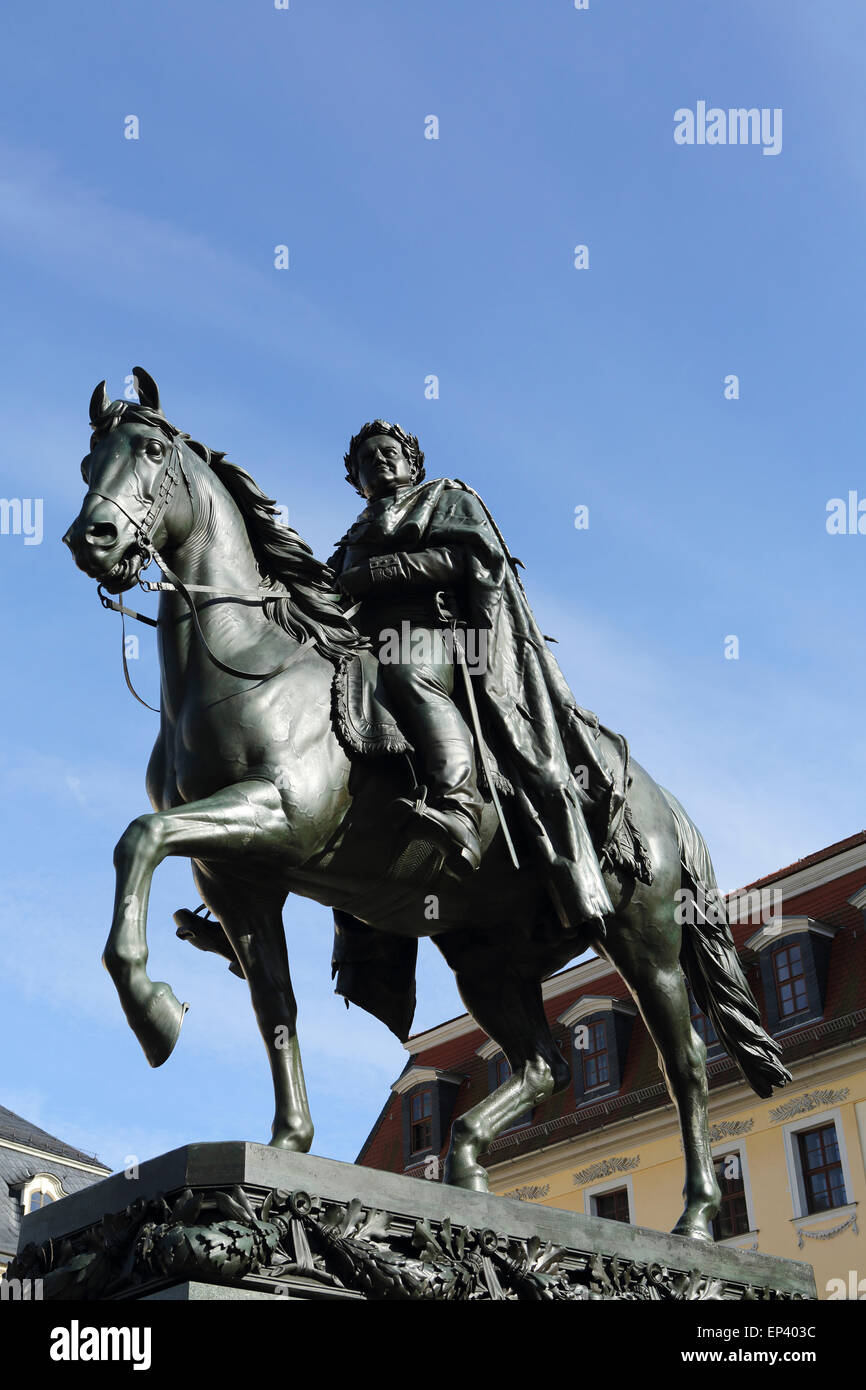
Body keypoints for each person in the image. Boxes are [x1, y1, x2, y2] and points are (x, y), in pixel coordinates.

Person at [329, 420, 616, 934]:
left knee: (408, 670)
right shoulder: (351, 535)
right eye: (367, 460)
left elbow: (475, 559)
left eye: (389, 452)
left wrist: (380, 573)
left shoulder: (446, 497)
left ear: (413, 463)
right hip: (366, 641)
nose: (380, 462)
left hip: (440, 634)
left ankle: (459, 806)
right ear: (356, 480)